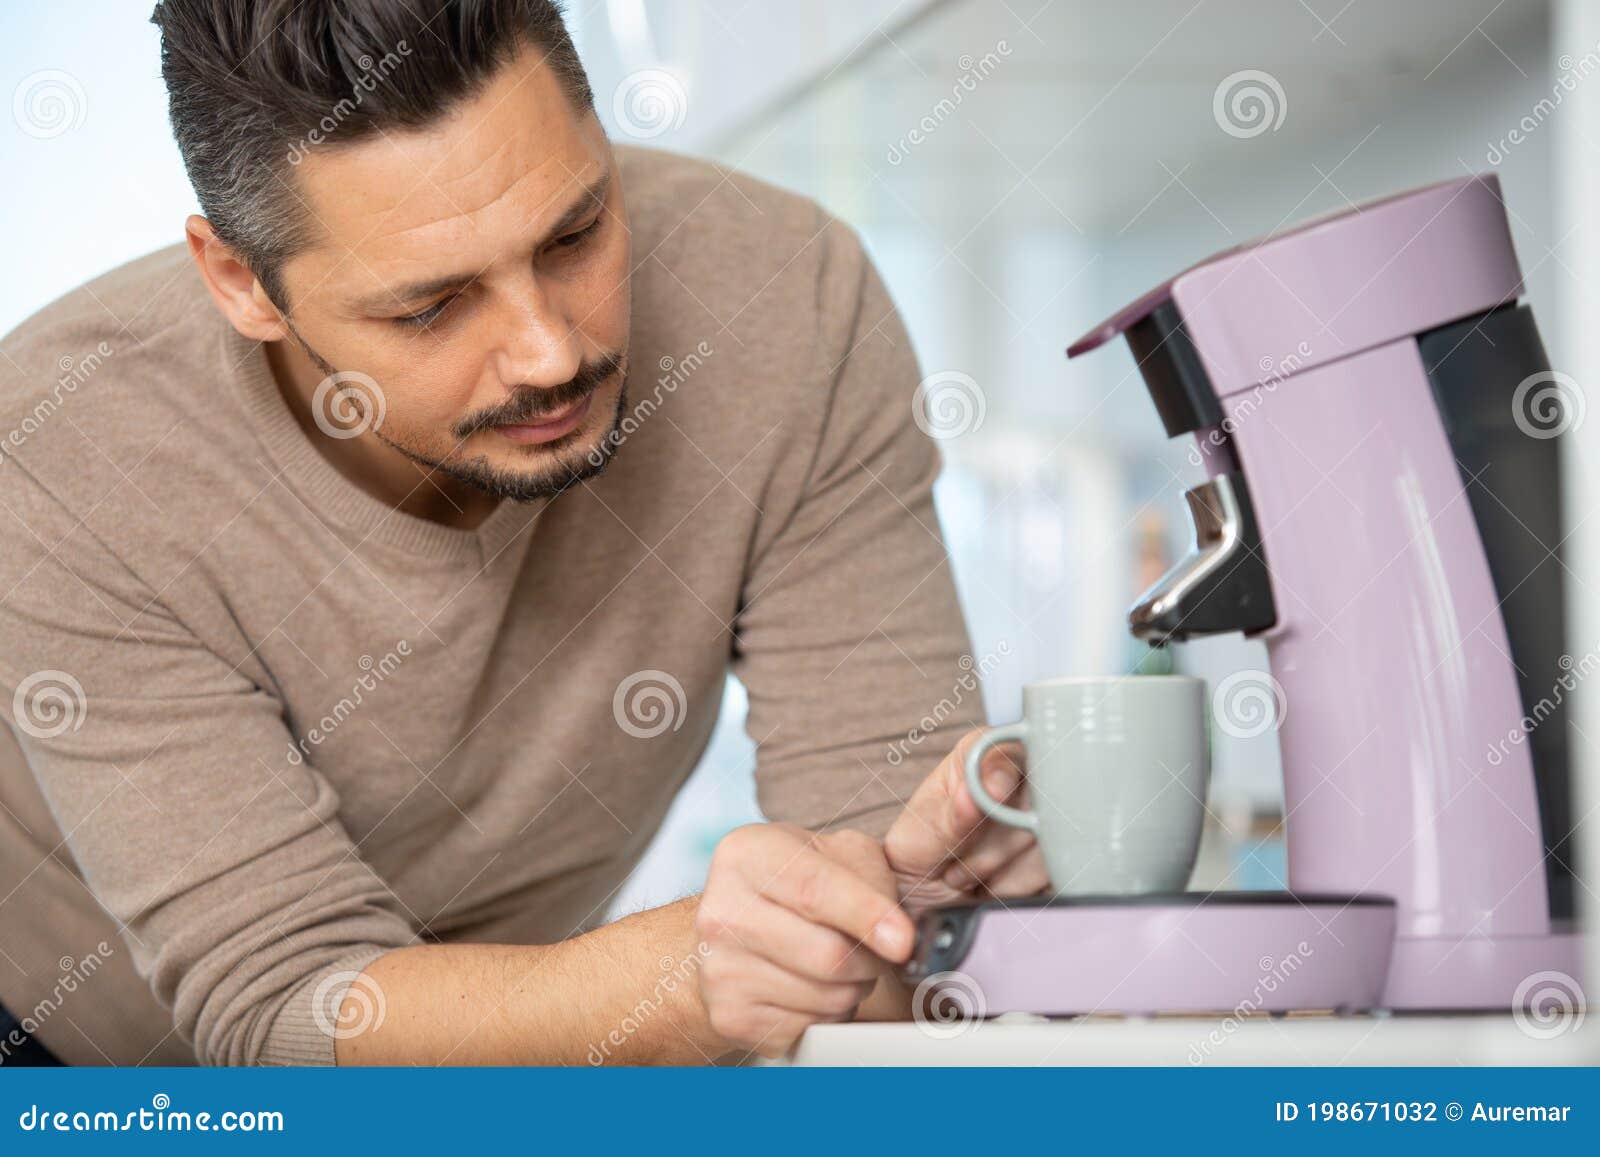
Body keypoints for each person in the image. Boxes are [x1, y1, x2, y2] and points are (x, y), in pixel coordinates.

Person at [0, 0, 1042, 1067]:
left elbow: (885, 877)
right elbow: (284, 1009)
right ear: (239, 281)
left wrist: (909, 912)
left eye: (576, 233)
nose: (549, 352)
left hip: (492, 1052)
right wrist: (686, 977)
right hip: (58, 1047)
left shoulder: (792, 302)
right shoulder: (59, 449)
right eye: (429, 309)